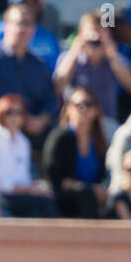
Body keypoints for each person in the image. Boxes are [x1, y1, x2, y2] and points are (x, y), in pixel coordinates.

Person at [0, 2, 57, 149]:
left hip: (32, 134)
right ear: (6, 26)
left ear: (34, 29)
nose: (23, 29)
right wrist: (7, 118)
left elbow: (50, 101)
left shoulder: (39, 66)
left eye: (27, 24)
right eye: (18, 23)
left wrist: (41, 119)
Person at [54, 10, 131, 122]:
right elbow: (58, 86)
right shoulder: (67, 58)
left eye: (101, 31)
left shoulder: (115, 59)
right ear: (81, 34)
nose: (96, 37)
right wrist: (74, 52)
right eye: (92, 30)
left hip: (105, 123)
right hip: (76, 122)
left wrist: (112, 56)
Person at [43, 85, 110, 218]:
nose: (83, 109)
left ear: (96, 110)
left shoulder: (99, 140)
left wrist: (102, 190)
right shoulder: (60, 138)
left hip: (93, 197)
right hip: (64, 198)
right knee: (87, 196)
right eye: (78, 105)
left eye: (88, 104)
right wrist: (90, 189)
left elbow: (103, 175)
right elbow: (56, 180)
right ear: (68, 109)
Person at [0, 93, 55, 217]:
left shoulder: (23, 141)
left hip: (19, 195)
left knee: (47, 200)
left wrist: (35, 188)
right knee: (39, 206)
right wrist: (26, 189)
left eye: (19, 113)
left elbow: (24, 178)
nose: (14, 117)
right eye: (9, 112)